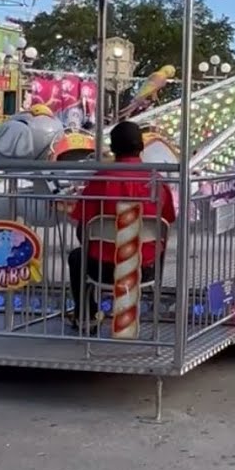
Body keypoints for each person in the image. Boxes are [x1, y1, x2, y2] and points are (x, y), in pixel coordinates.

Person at [65, 121, 175, 326]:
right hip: (146, 266)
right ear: (142, 147)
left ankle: (85, 315)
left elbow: (83, 224)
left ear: (113, 148)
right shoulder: (157, 181)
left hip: (103, 268)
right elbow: (167, 222)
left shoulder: (99, 180)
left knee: (77, 257)